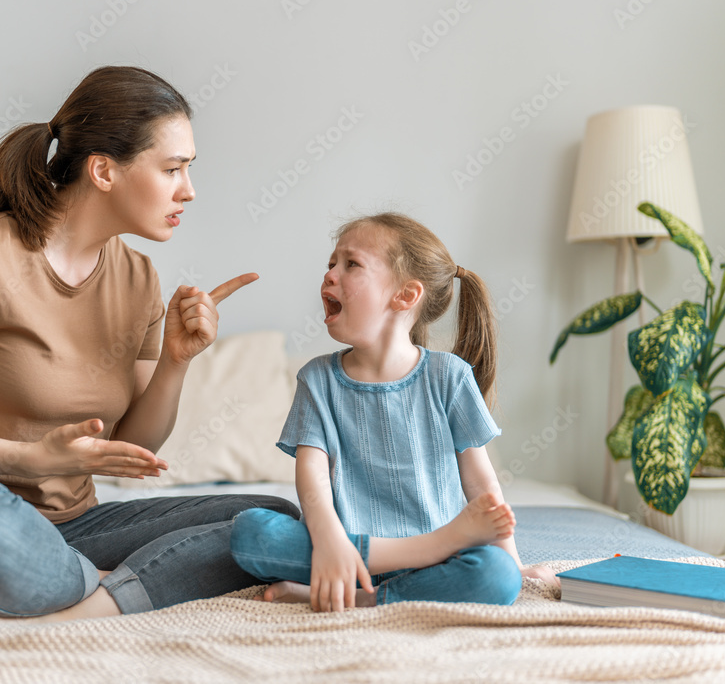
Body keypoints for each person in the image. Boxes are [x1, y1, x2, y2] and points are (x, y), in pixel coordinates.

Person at [0, 65, 299, 623]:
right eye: (172, 169)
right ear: (103, 171)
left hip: (76, 529)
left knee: (271, 518)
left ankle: (82, 604)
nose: (188, 190)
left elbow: (132, 449)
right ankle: (116, 586)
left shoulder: (139, 278)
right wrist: (29, 457)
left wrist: (175, 361)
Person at [229, 212, 558, 613]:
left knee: (497, 575)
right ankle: (386, 568)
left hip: (435, 560)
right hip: (345, 548)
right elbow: (311, 481)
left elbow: (480, 483)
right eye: (331, 263)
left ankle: (368, 597)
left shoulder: (448, 376)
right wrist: (331, 539)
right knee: (251, 532)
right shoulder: (317, 379)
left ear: (405, 295)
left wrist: (514, 562)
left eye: (351, 264)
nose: (330, 275)